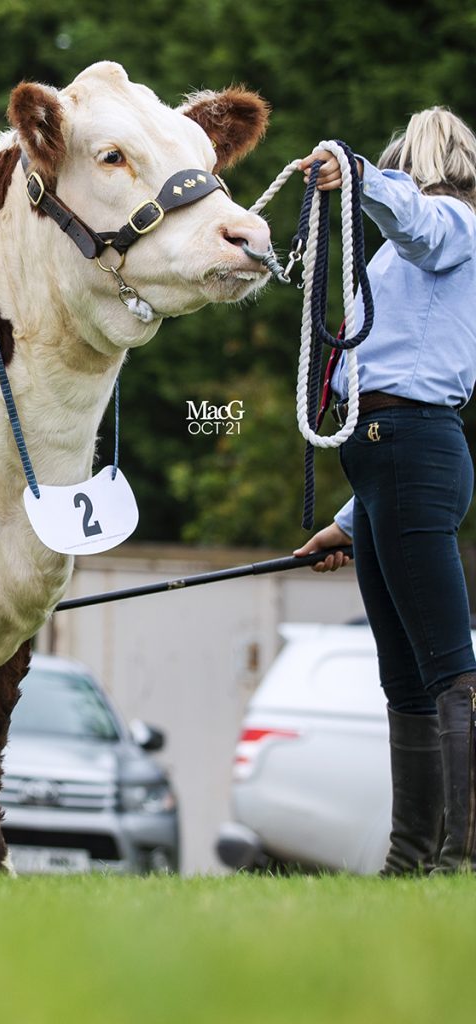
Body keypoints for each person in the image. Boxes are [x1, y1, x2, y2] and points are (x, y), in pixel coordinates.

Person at [295, 107, 476, 875]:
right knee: (406, 673)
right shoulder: (419, 247)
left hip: (408, 449)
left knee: (449, 665)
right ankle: (411, 862)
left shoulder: (455, 224)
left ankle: (459, 859)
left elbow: (419, 223)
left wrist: (362, 174)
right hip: (384, 460)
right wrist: (348, 520)